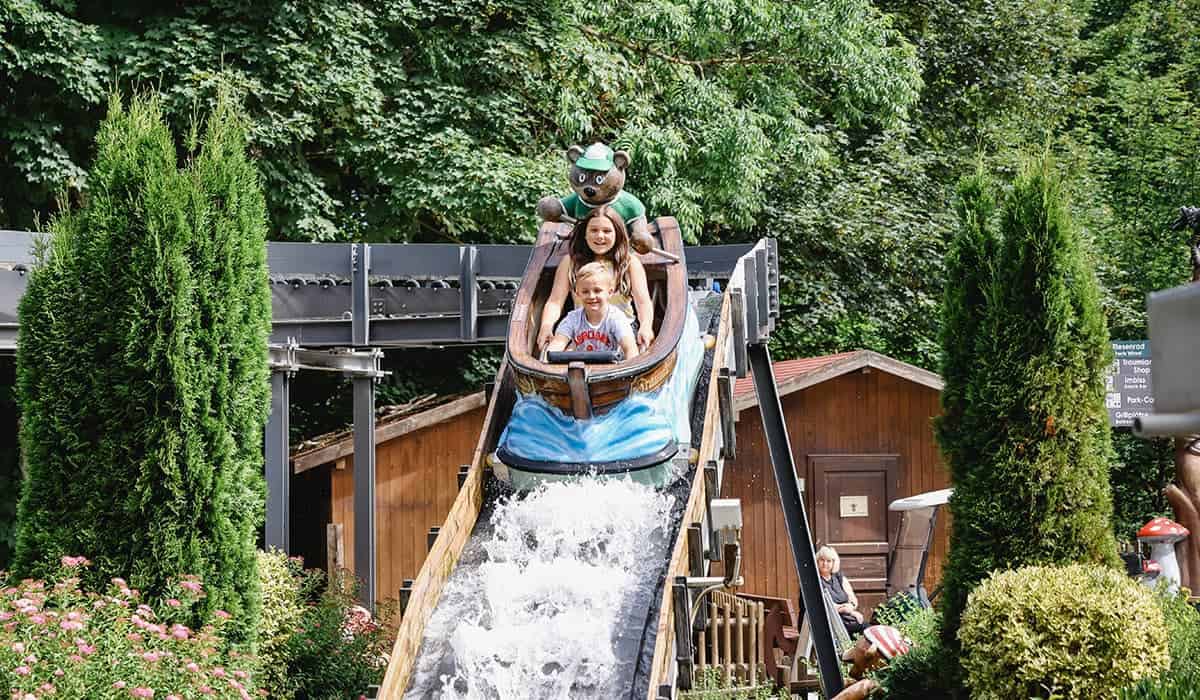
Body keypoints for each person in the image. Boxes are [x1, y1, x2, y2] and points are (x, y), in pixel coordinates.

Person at [537, 206, 655, 353]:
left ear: (617, 234)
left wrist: (645, 326)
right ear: (585, 234)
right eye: (594, 231)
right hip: (582, 326)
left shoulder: (628, 263)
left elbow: (642, 301)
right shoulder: (571, 262)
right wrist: (546, 326)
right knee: (560, 352)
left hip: (621, 328)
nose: (600, 236)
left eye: (607, 231)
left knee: (628, 351)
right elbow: (555, 300)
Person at [545, 262, 639, 361]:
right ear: (578, 293)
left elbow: (630, 348)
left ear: (610, 292)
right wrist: (546, 364)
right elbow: (558, 343)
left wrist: (630, 368)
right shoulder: (573, 319)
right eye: (585, 292)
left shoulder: (616, 318)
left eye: (597, 290)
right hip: (579, 370)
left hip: (610, 369)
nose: (591, 296)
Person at [817, 545, 866, 635]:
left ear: (833, 563)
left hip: (843, 619)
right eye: (822, 560)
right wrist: (844, 610)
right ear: (817, 561)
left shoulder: (839, 577)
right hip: (827, 621)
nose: (825, 564)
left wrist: (851, 607)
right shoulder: (815, 580)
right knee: (864, 629)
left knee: (866, 628)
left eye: (828, 561)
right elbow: (823, 605)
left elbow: (852, 599)